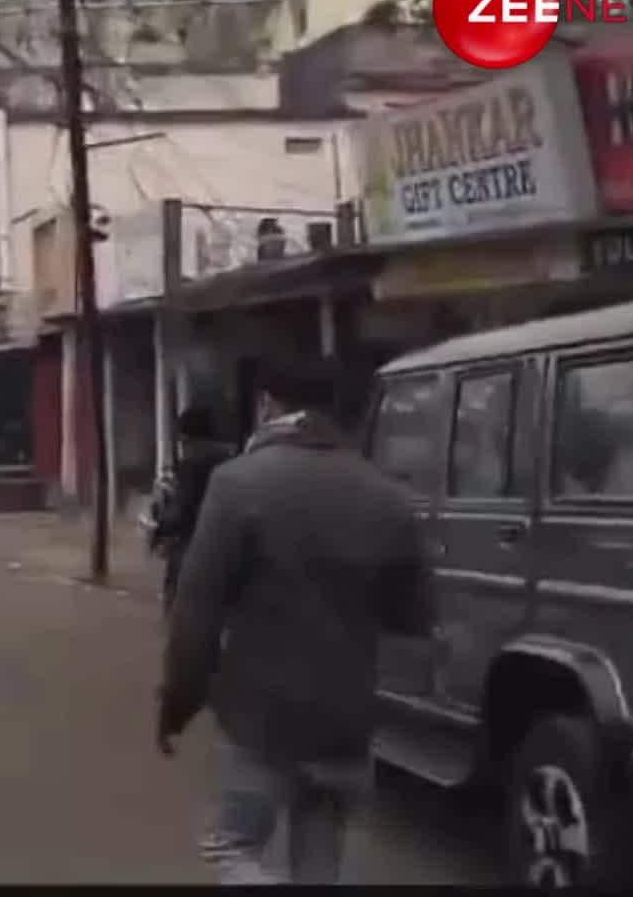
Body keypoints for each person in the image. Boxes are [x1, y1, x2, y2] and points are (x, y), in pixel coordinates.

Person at [156, 357, 433, 885]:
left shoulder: (238, 484)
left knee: (234, 852)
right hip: (345, 728)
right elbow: (413, 621)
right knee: (320, 865)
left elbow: (197, 613)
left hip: (261, 723)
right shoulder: (389, 497)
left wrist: (177, 703)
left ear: (269, 406)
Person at [148, 406, 233, 609]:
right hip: (226, 553)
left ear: (187, 438)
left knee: (180, 612)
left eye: (182, 440)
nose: (182, 446)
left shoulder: (192, 466)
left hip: (192, 552)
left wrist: (159, 527)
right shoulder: (231, 462)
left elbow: (180, 513)